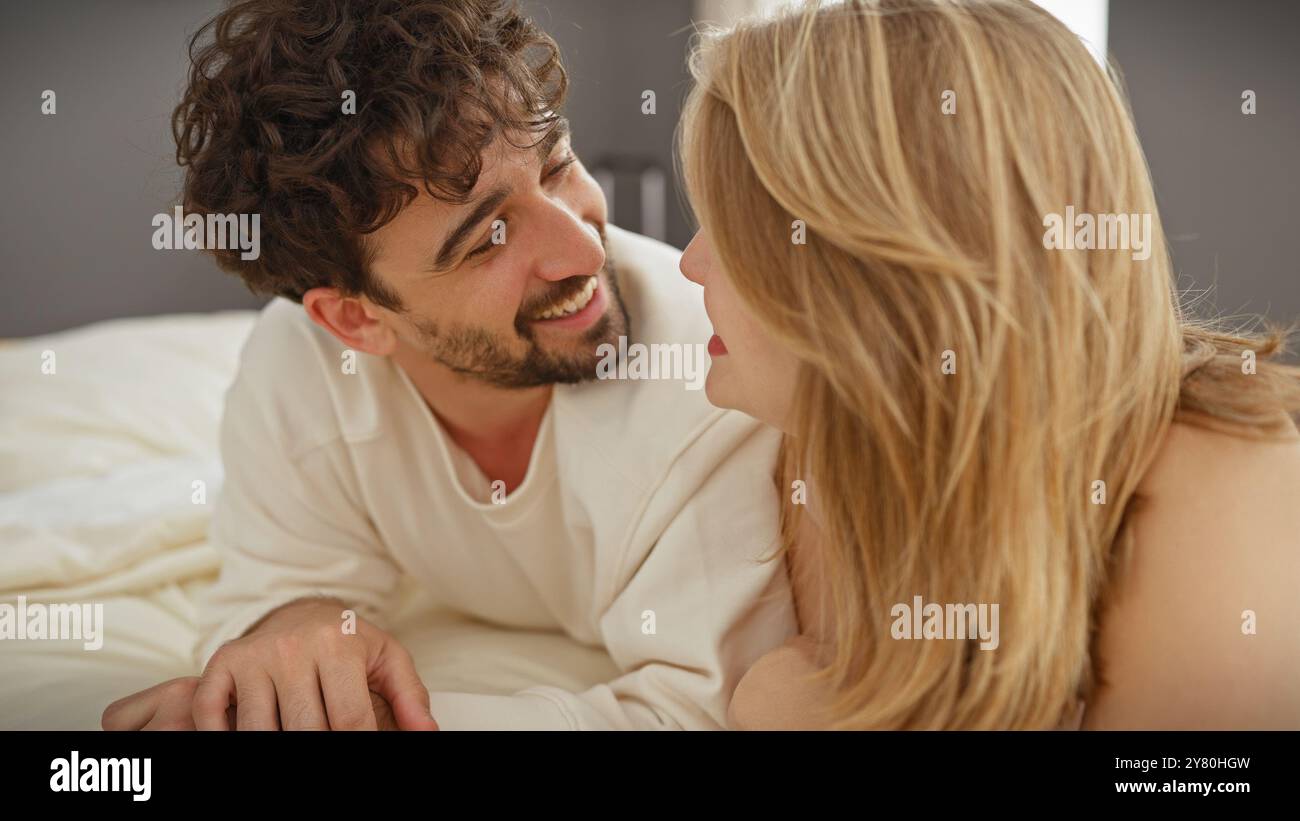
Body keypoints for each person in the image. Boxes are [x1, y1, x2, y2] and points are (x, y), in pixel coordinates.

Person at [102, 0, 795, 731]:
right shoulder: (305, 369)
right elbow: (273, 585)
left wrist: (390, 721)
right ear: (356, 321)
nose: (586, 250)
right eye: (489, 238)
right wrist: (298, 636)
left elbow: (694, 713)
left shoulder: (718, 386)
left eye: (556, 166)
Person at [676, 0, 1300, 729]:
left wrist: (789, 705)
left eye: (732, 230)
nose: (690, 262)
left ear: (872, 273)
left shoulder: (1221, 492)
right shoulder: (808, 452)